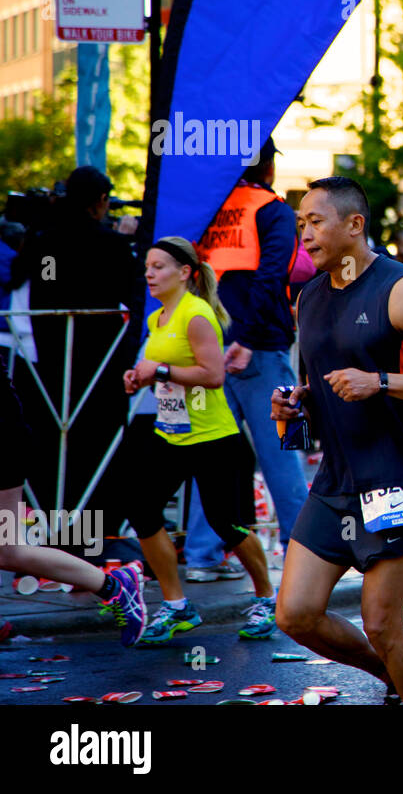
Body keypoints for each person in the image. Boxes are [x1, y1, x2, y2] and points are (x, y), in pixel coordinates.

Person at [273, 177, 403, 705]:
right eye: (300, 225)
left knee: (384, 625)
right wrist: (297, 403)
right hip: (336, 480)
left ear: (354, 224)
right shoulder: (309, 296)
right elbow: (323, 384)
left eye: (315, 222)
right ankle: (402, 672)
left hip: (397, 478)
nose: (306, 234)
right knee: (295, 613)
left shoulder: (401, 287)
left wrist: (381, 381)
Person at [121, 237, 277, 644]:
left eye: (158, 267)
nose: (149, 275)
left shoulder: (196, 314)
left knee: (226, 522)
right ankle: (176, 606)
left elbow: (214, 375)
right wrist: (139, 376)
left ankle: (267, 598)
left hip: (213, 438)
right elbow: (160, 372)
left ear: (185, 272)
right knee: (142, 509)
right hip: (171, 434)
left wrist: (160, 372)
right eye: (147, 268)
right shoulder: (159, 319)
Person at [186, 138, 308, 583]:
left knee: (212, 456)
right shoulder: (272, 209)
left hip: (210, 347)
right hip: (263, 351)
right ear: (269, 165)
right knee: (283, 451)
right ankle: (301, 552)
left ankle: (202, 555)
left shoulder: (209, 209)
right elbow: (273, 276)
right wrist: (252, 338)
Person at [12, 166, 141, 518]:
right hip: (100, 359)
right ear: (101, 201)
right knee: (97, 444)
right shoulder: (111, 245)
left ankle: (52, 521)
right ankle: (99, 526)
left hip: (51, 357)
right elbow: (129, 295)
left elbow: (42, 280)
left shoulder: (45, 241)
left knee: (53, 443)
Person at [0, 373, 147, 646]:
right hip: (9, 433)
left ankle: (117, 586)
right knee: (9, 551)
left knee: (8, 549)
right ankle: (116, 586)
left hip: (4, 437)